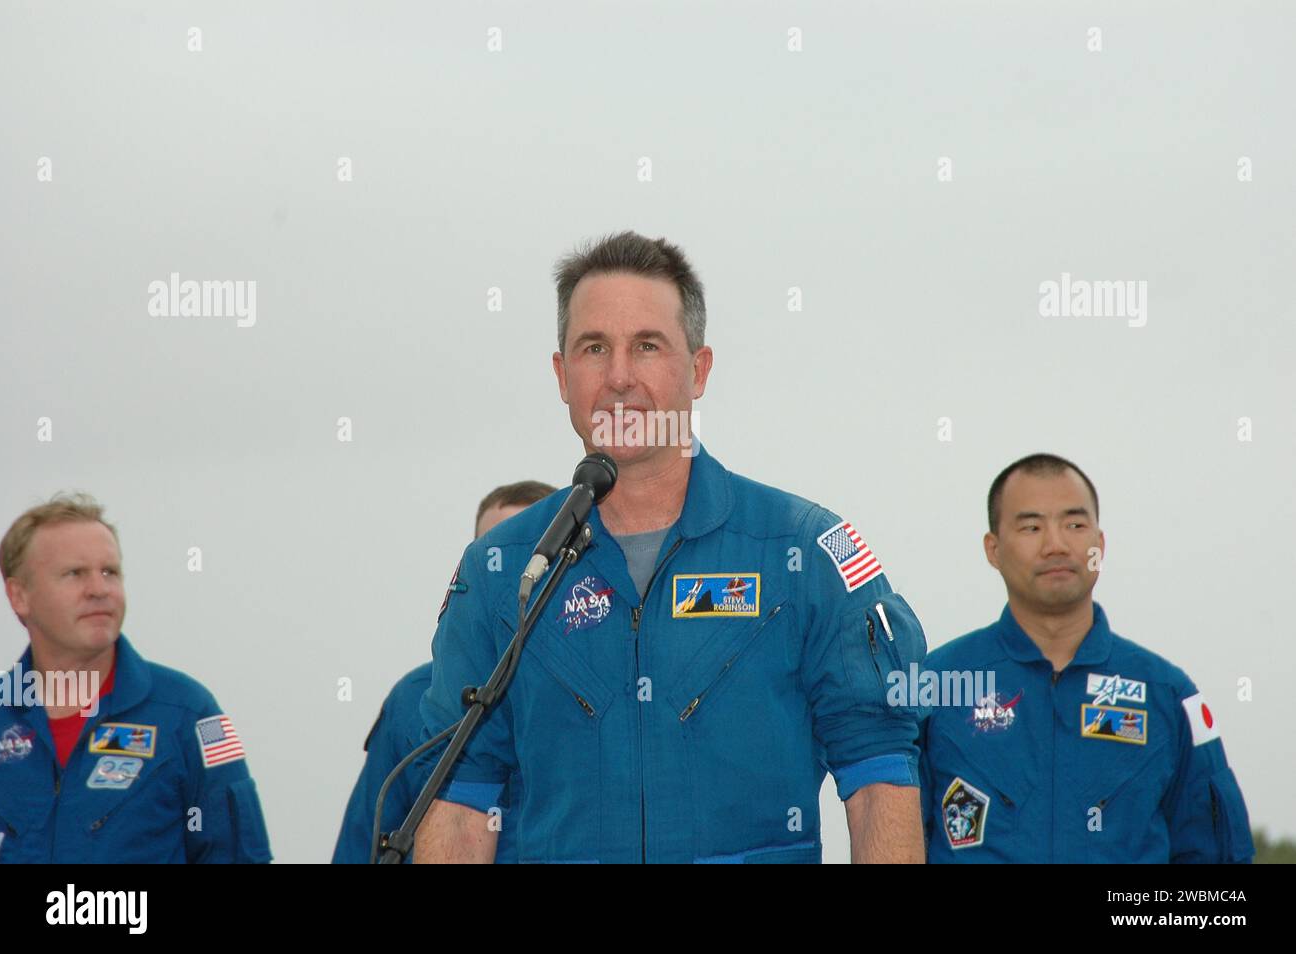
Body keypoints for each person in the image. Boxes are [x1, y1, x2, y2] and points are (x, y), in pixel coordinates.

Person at [415, 231, 927, 863]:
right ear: (561, 375)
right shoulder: (501, 571)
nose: (620, 377)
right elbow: (462, 806)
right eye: (593, 348)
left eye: (647, 346)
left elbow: (880, 778)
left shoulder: (805, 553)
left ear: (699, 369)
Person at [919, 454, 1253, 862]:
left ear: (1099, 545)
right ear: (993, 549)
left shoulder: (1168, 695)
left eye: (1075, 525)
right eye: (1031, 526)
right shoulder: (937, 687)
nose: (1056, 544)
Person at [0, 494, 271, 863]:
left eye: (109, 571)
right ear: (19, 596)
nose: (99, 589)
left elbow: (240, 858)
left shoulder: (189, 712)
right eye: (75, 573)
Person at [332, 480, 555, 864]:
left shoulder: (590, 695)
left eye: (528, 558)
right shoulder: (415, 698)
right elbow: (362, 847)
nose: (515, 577)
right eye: (496, 557)